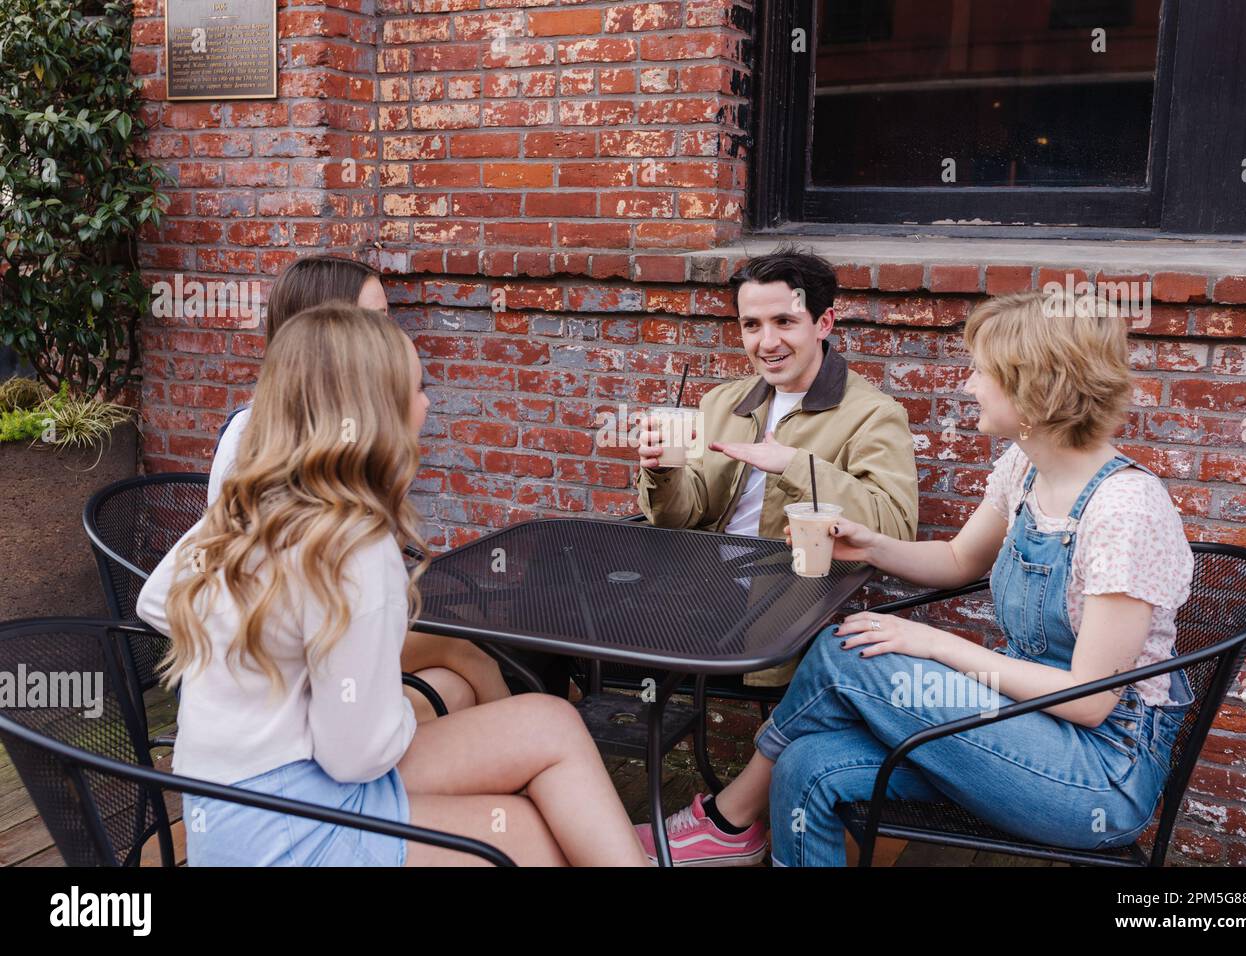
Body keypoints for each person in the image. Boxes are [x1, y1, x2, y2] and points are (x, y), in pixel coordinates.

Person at [638, 290, 1195, 866]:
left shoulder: (1124, 511)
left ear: (1036, 387)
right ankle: (737, 824)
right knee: (807, 766)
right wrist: (872, 544)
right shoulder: (1025, 468)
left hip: (1095, 770)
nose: (968, 385)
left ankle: (729, 820)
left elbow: (1091, 702)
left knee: (843, 651)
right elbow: (958, 561)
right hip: (1017, 726)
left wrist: (936, 644)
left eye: (981, 371)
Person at [138, 303, 647, 866]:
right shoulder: (357, 543)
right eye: (417, 388)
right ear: (375, 410)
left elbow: (155, 600)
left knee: (551, 721)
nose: (428, 403)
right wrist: (371, 699)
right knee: (524, 832)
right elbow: (354, 756)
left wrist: (278, 672)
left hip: (223, 813)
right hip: (291, 830)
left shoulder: (249, 501)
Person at [208, 254, 518, 715]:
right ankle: (530, 735)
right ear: (327, 332)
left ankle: (507, 740)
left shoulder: (338, 427)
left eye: (388, 319)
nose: (394, 338)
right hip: (288, 648)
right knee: (463, 649)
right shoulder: (259, 436)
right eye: (374, 321)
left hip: (326, 628)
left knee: (452, 686)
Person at [636, 244, 918, 692]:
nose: (766, 343)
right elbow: (677, 518)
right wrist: (661, 472)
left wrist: (793, 465)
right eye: (752, 325)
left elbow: (895, 531)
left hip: (775, 601)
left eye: (784, 322)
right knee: (554, 607)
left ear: (823, 323)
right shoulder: (722, 401)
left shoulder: (873, 414)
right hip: (693, 586)